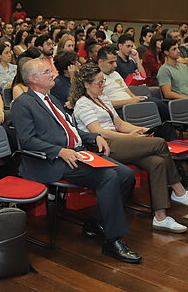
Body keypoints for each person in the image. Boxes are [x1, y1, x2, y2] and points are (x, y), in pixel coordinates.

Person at [11, 59, 141, 264]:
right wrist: (59, 151)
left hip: (76, 152)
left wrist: (92, 137)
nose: (52, 74)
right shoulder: (23, 103)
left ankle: (95, 222)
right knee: (109, 177)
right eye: (46, 72)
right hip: (51, 161)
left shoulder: (51, 99)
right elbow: (26, 141)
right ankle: (112, 240)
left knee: (125, 175)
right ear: (33, 79)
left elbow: (70, 130)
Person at [68, 62, 188, 233]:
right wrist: (128, 137)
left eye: (103, 81)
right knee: (160, 143)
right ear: (87, 85)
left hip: (119, 141)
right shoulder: (83, 104)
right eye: (99, 82)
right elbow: (98, 131)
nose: (103, 85)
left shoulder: (102, 99)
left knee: (157, 162)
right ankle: (179, 190)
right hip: (104, 147)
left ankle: (160, 217)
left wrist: (137, 130)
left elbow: (119, 123)